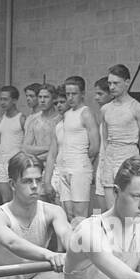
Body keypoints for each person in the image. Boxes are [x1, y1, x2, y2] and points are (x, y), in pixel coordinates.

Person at [95, 64, 140, 212]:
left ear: (127, 82)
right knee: (111, 210)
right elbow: (105, 140)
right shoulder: (105, 109)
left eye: (116, 83)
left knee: (130, 209)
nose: (112, 87)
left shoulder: (137, 107)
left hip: (129, 154)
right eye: (110, 83)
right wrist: (104, 161)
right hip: (110, 156)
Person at [43, 75, 99, 220]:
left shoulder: (86, 112)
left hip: (79, 168)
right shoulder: (66, 115)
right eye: (68, 94)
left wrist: (82, 164)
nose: (70, 98)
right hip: (65, 169)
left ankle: (83, 242)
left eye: (74, 94)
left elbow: (95, 146)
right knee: (67, 215)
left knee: (80, 215)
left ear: (82, 94)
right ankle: (70, 243)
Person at [0, 85, 26, 203]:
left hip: (16, 163)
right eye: (1, 99)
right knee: (5, 200)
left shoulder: (22, 119)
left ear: (14, 100)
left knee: (17, 199)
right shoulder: (0, 120)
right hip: (1, 163)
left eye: (5, 99)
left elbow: (26, 143)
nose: (2, 102)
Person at [20, 84, 58, 172]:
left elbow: (61, 148)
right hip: (38, 166)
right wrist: (48, 148)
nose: (42, 100)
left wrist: (37, 157)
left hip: (57, 166)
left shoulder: (59, 120)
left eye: (46, 97)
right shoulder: (34, 121)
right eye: (40, 97)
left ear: (54, 99)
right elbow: (25, 148)